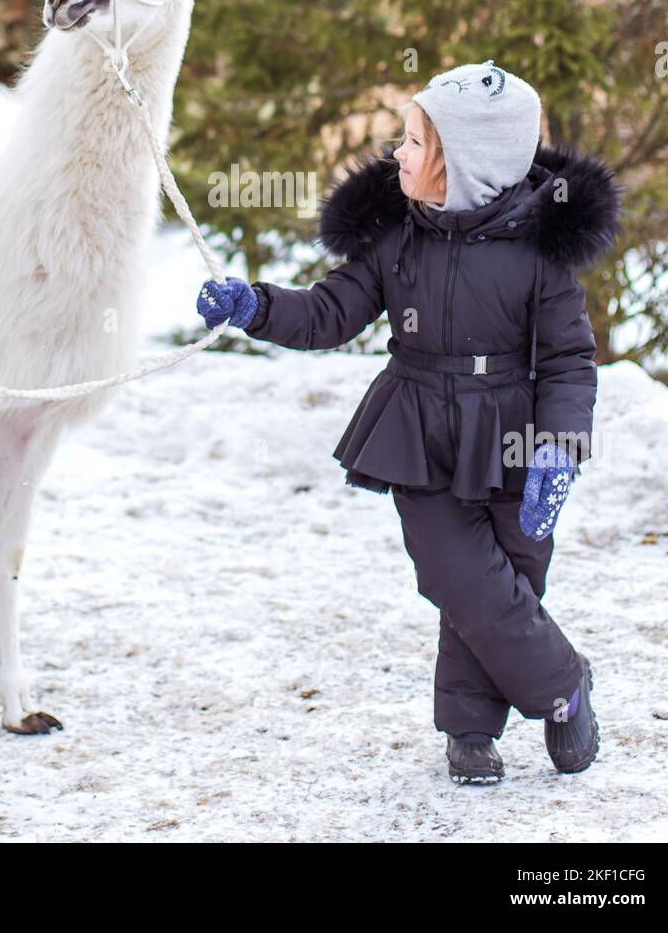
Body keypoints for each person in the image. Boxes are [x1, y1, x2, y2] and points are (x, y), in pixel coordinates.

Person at [196, 60, 624, 784]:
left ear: (464, 165)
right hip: (419, 432)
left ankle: (468, 729)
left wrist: (558, 447)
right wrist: (257, 307)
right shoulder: (397, 238)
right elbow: (330, 312)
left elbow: (568, 360)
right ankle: (563, 686)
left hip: (515, 437)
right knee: (460, 577)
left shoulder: (538, 256)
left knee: (511, 581)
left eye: (416, 142)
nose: (397, 152)